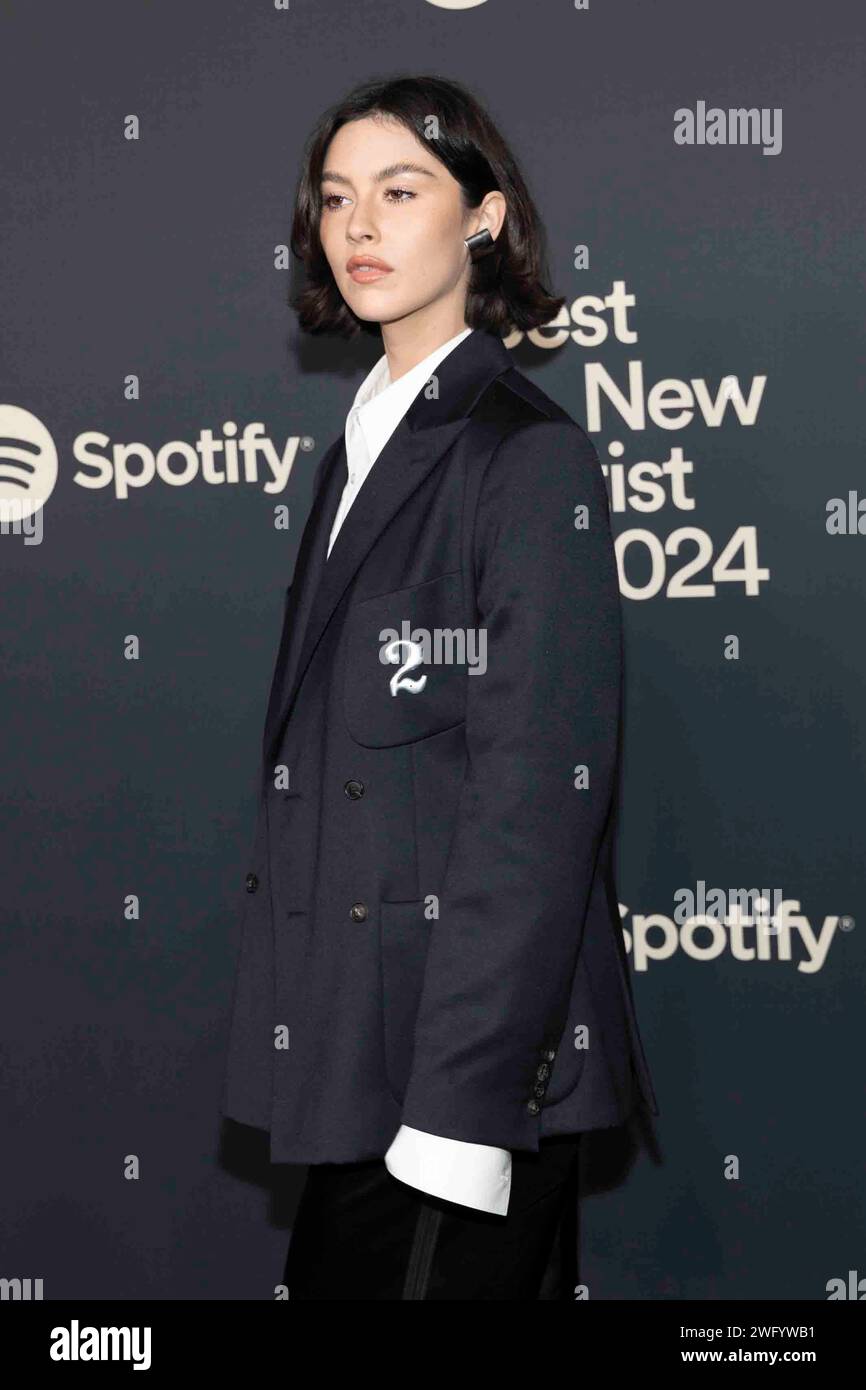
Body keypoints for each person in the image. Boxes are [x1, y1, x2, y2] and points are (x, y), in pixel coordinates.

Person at [221, 72, 658, 1300]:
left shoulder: (523, 455)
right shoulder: (356, 450)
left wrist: (462, 1107)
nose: (357, 226)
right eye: (334, 198)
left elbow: (537, 807)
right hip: (360, 1066)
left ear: (482, 217)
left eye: (399, 191)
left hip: (459, 1093)